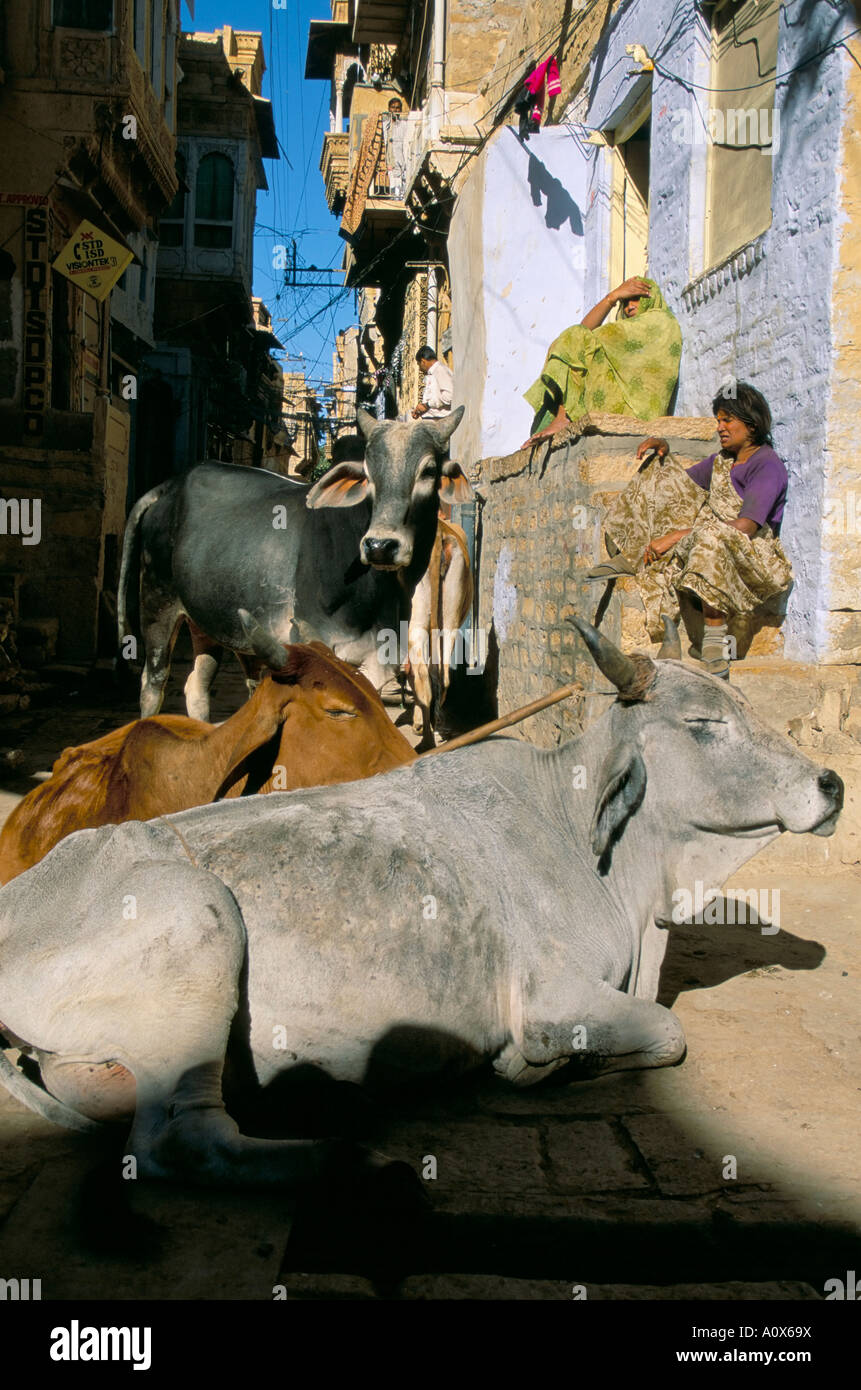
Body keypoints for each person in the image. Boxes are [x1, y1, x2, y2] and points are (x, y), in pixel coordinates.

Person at [585, 382, 792, 676]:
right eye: (718, 420)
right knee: (655, 472)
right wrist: (664, 451)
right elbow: (679, 486)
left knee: (709, 537)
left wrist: (677, 536)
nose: (720, 427)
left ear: (752, 424)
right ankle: (630, 552)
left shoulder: (766, 465)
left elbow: (745, 526)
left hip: (752, 554)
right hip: (712, 536)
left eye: (727, 420)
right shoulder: (722, 462)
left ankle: (715, 643)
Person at [521, 276, 683, 449]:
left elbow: (582, 335)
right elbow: (582, 334)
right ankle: (562, 415)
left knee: (573, 338)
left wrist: (612, 298)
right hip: (619, 400)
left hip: (637, 410)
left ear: (651, 297)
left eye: (636, 298)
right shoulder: (625, 333)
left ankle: (564, 417)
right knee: (569, 342)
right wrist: (611, 298)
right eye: (625, 302)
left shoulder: (662, 320)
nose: (629, 307)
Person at [413, 346, 453, 420]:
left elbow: (449, 396)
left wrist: (427, 405)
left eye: (419, 365)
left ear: (423, 361)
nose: (420, 369)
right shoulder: (433, 373)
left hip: (439, 420)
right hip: (432, 419)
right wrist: (423, 409)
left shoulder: (441, 370)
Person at [383, 96, 407, 200]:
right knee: (393, 186)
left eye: (397, 108)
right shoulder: (385, 125)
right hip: (390, 162)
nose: (395, 110)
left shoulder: (404, 125)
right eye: (393, 107)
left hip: (401, 162)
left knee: (401, 186)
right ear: (389, 109)